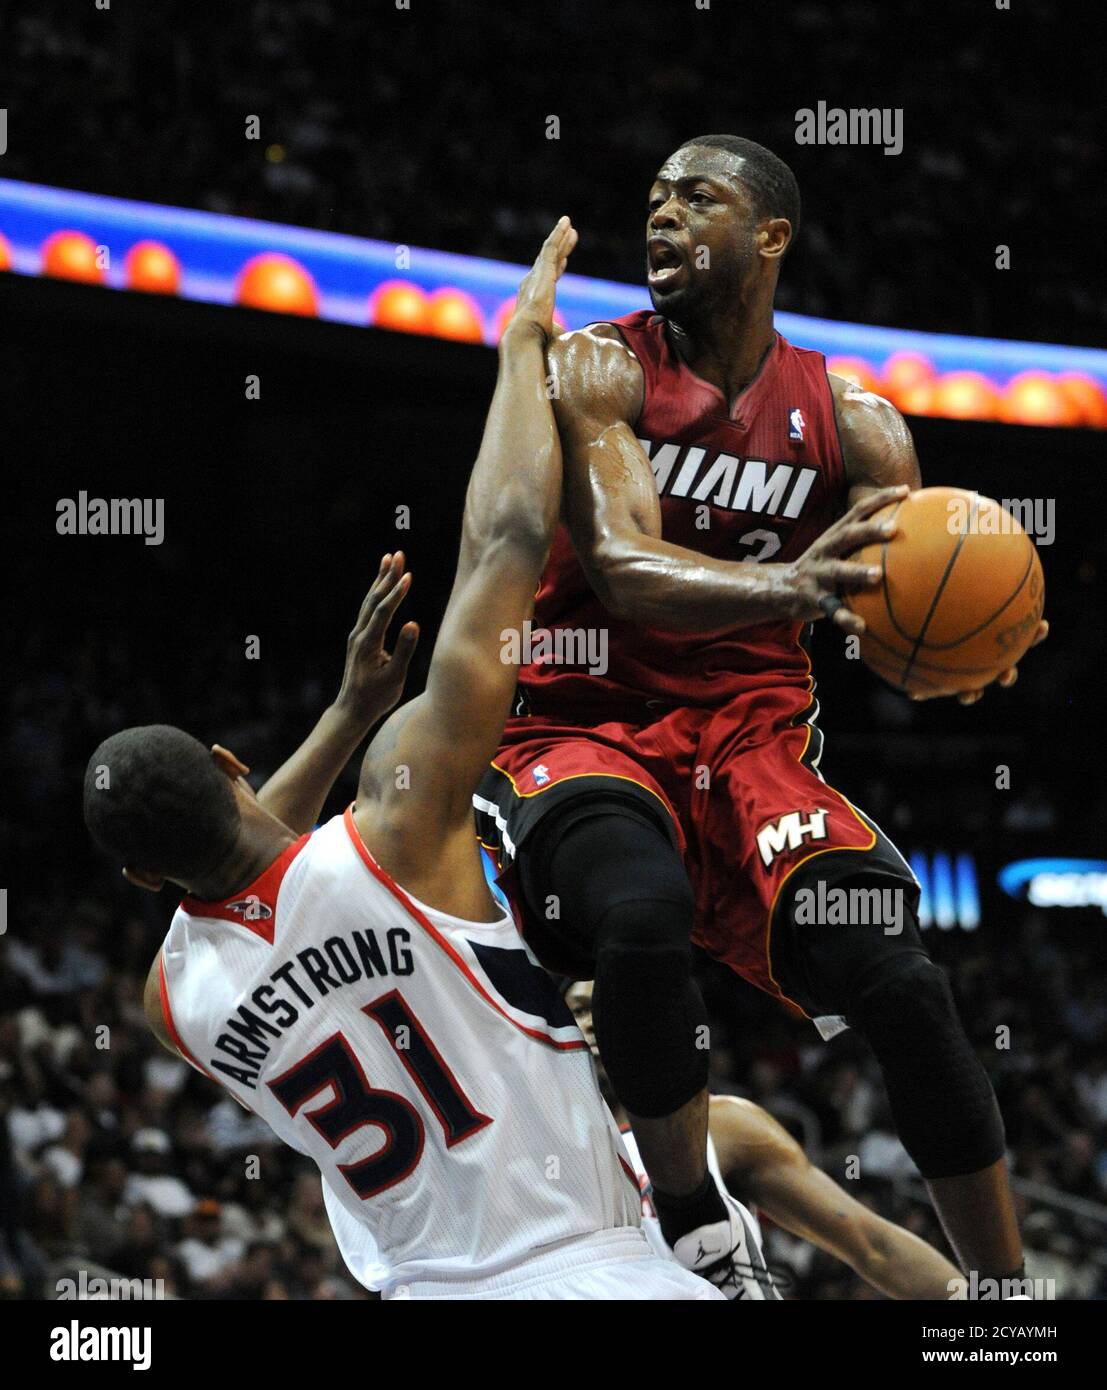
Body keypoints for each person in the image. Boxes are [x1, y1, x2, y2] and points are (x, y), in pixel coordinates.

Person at [83, 220, 720, 1303]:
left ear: (145, 881)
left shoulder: (172, 1002)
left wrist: (339, 718)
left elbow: (237, 871)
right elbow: (506, 542)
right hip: (593, 1268)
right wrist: (522, 346)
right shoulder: (398, 827)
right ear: (234, 760)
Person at [475, 136, 1047, 1295]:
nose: (664, 217)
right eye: (654, 201)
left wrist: (967, 656)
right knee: (642, 913)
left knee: (905, 985)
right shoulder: (603, 369)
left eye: (698, 198)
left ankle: (1003, 1306)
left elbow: (897, 613)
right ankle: (694, 1218)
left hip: (753, 744)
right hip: (588, 724)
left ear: (772, 236)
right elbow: (627, 564)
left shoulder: (860, 426)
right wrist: (793, 586)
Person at [565, 980, 962, 1300]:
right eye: (580, 1010)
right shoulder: (539, 1156)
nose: (596, 1022)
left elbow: (872, 1245)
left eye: (613, 1008)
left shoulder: (722, 1126)